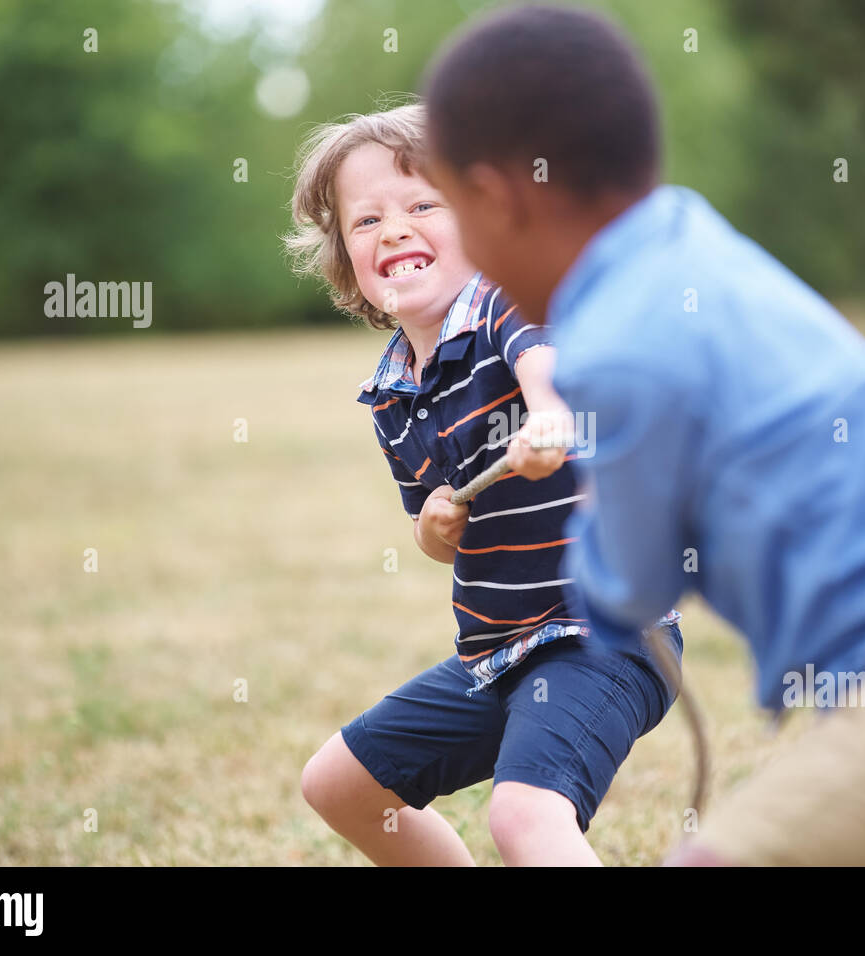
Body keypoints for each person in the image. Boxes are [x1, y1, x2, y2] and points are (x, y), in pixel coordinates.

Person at [420, 4, 865, 865]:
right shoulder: (682, 239)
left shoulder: (618, 347)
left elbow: (628, 590)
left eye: (454, 210)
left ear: (498, 198)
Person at [284, 103, 684, 866]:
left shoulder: (506, 305)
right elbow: (434, 530)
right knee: (339, 785)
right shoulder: (392, 395)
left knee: (525, 818)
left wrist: (549, 416)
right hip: (496, 653)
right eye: (366, 222)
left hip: (598, 634)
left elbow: (549, 368)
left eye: (424, 206)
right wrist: (433, 529)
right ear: (346, 260)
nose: (395, 230)